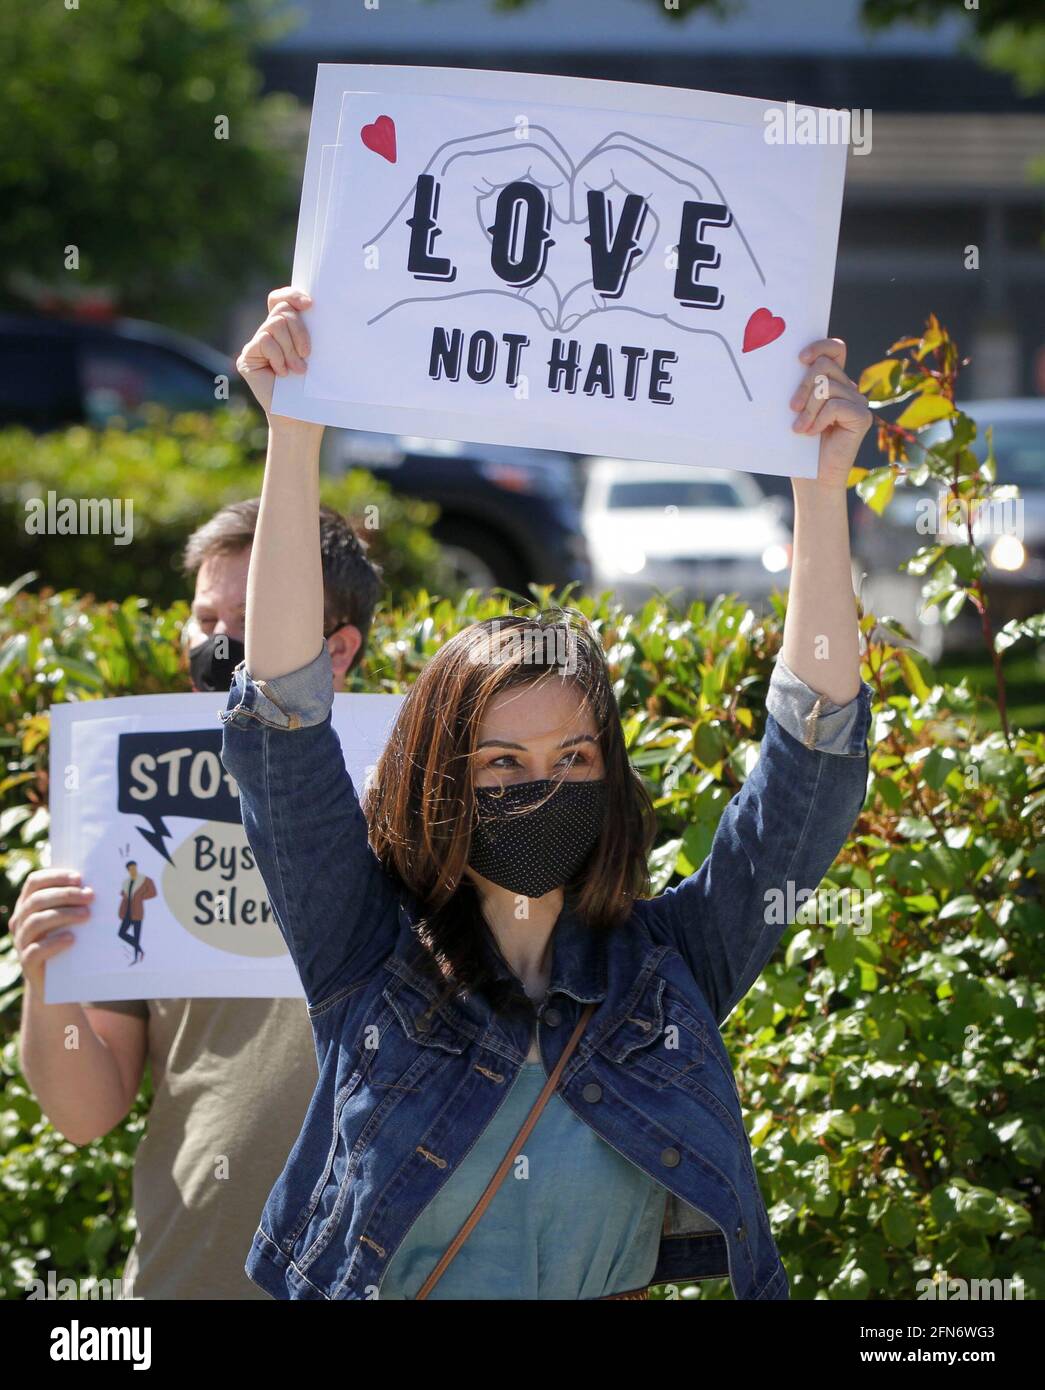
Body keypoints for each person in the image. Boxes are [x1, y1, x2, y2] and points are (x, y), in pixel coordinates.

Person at [217, 287, 874, 1301]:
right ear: (441, 778)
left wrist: (821, 489)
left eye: (573, 758)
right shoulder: (363, 948)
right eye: (500, 764)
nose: (541, 788)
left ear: (611, 777)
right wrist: (295, 435)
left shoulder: (673, 967)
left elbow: (811, 766)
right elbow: (283, 727)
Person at [14, 493, 381, 1298]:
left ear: (339, 648)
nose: (217, 641)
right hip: (187, 1279)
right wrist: (48, 981)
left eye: (248, 617)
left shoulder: (407, 798)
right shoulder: (124, 807)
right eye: (203, 615)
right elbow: (85, 1113)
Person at [116, 861, 156, 966]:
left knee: (137, 935)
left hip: (137, 912)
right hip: (127, 912)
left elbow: (153, 892)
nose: (133, 870)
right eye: (131, 868)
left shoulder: (144, 880)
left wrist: (140, 897)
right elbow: (123, 895)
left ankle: (136, 958)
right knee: (121, 933)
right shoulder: (126, 882)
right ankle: (140, 950)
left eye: (134, 867)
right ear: (128, 870)